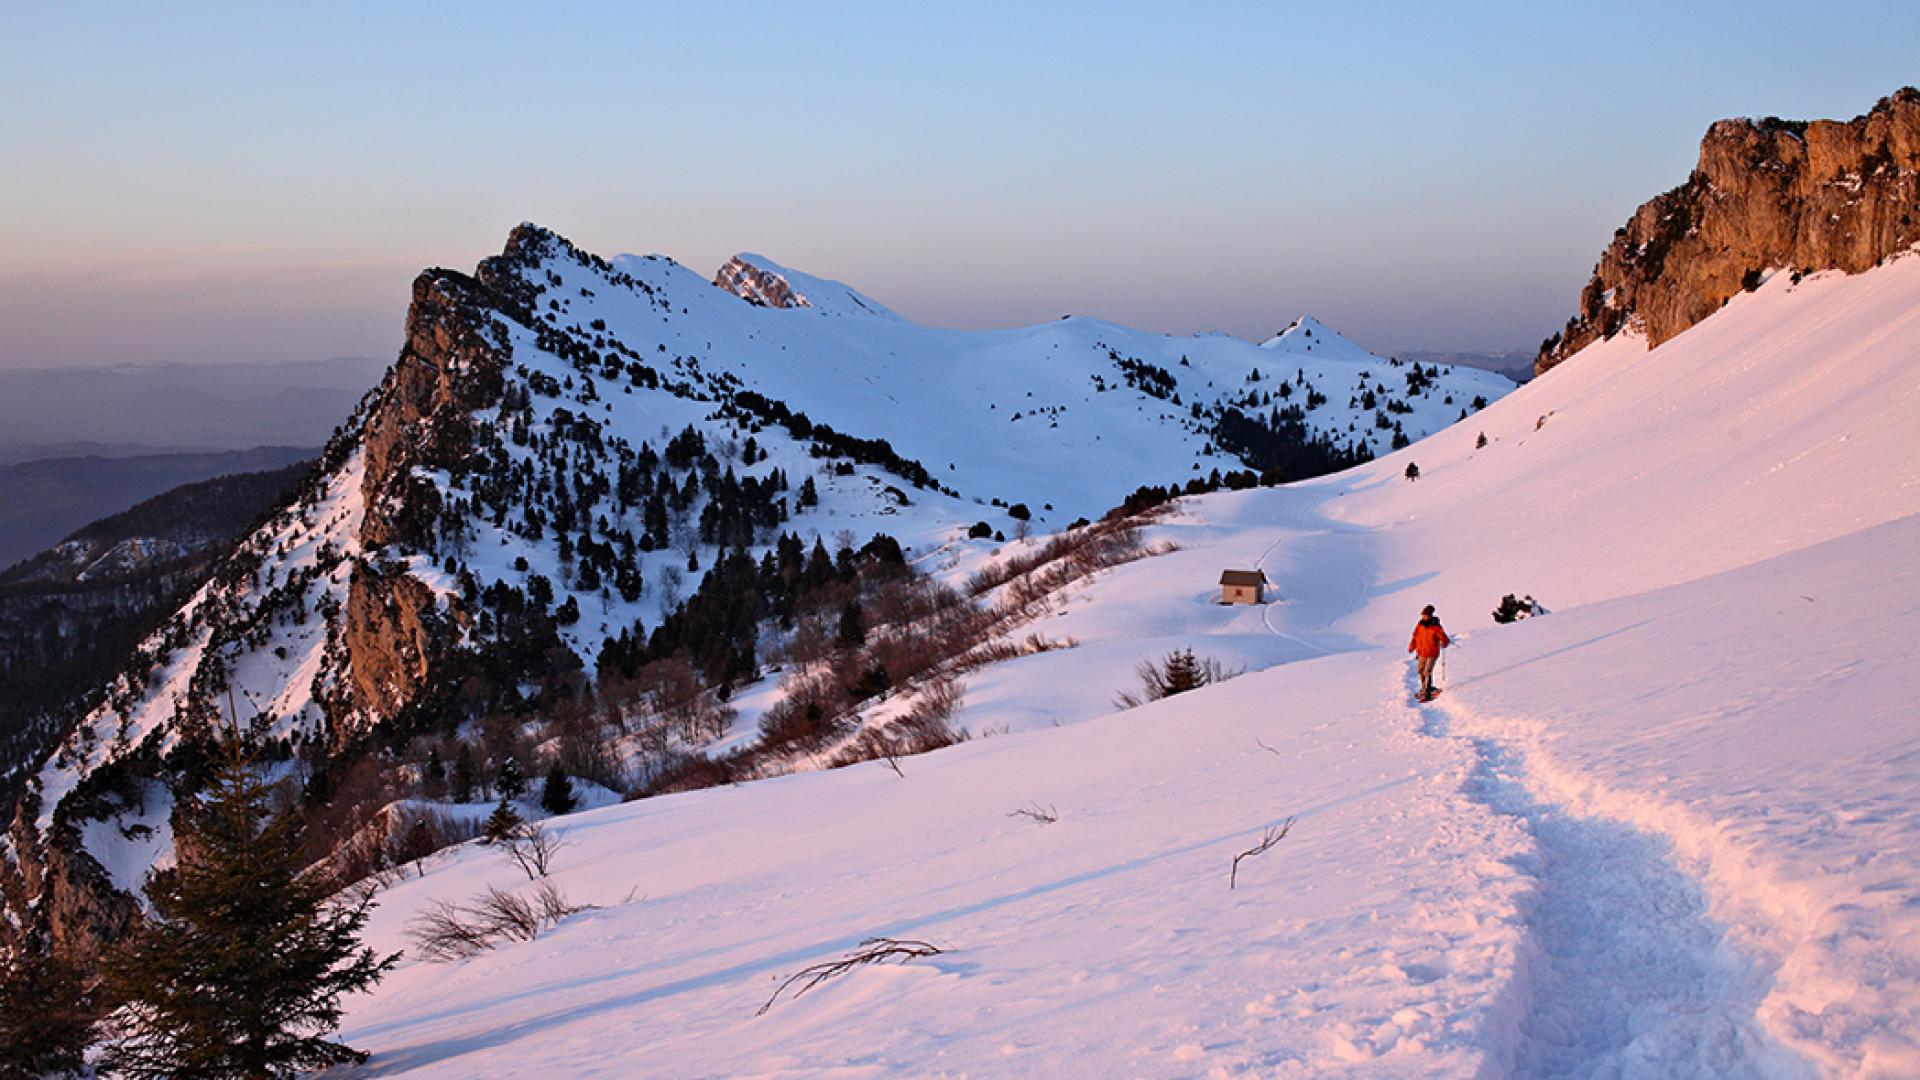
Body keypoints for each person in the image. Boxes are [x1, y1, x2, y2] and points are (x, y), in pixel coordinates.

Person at [1408, 604, 1450, 701]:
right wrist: (1412, 646)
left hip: (1432, 653)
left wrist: (1444, 642)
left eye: (1426, 615)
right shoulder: (1420, 625)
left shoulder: (1436, 627)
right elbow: (1415, 636)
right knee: (1420, 671)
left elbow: (1444, 638)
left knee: (1427, 672)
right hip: (1421, 652)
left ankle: (1426, 692)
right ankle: (1425, 688)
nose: (1424, 617)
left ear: (1430, 616)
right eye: (1423, 615)